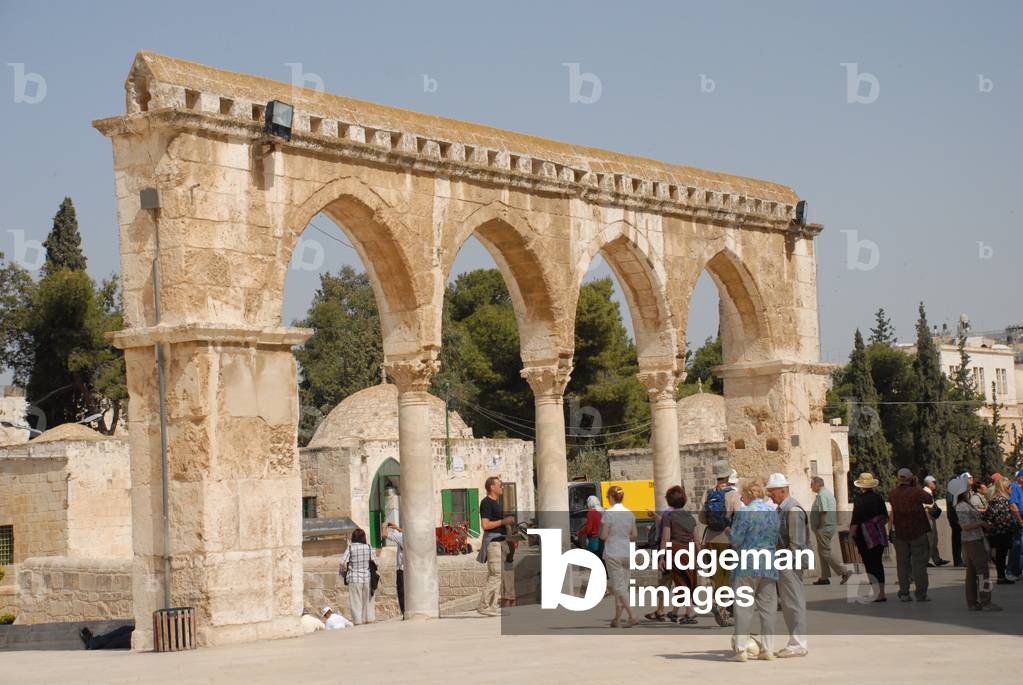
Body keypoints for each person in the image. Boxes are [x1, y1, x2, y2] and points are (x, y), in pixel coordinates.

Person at [729, 478, 778, 663]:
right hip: (768, 564)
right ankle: (768, 649)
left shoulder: (744, 512)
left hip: (747, 565)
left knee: (743, 608)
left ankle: (741, 650)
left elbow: (736, 539)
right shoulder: (772, 512)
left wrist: (729, 534)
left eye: (743, 494)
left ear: (748, 494)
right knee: (768, 609)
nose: (742, 498)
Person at [766, 473, 808, 659]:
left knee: (794, 603)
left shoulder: (793, 510)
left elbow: (796, 544)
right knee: (790, 603)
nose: (770, 495)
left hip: (790, 564)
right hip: (784, 562)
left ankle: (798, 644)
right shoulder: (782, 509)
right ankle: (795, 642)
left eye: (772, 491)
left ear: (783, 491)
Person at [699, 459, 742, 627]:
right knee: (726, 575)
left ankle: (719, 605)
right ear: (727, 475)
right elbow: (740, 517)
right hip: (727, 539)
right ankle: (721, 607)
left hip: (709, 539)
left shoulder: (708, 493)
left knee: (714, 575)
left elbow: (702, 519)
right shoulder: (733, 494)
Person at [950, 474, 1002, 611]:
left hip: (972, 540)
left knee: (972, 573)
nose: (969, 488)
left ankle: (972, 602)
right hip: (972, 541)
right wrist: (981, 523)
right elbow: (965, 526)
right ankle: (986, 601)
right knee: (983, 572)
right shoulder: (962, 506)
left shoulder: (965, 503)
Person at [890, 468, 932, 602]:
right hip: (917, 532)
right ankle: (921, 594)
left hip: (900, 533)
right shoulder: (916, 491)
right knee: (919, 564)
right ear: (910, 478)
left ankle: (904, 593)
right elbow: (929, 499)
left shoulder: (893, 493)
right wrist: (916, 485)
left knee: (902, 564)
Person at [600, 484, 638, 628]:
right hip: (626, 551)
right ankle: (617, 618)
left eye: (607, 497)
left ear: (611, 497)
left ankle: (632, 615)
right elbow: (634, 534)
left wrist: (611, 535)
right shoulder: (630, 514)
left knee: (618, 587)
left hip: (613, 552)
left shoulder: (609, 514)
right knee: (622, 586)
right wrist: (623, 535)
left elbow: (604, 535)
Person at [660, 485, 699, 624]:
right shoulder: (691, 517)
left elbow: (666, 538)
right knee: (687, 581)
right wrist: (699, 556)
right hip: (690, 551)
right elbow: (696, 539)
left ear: (669, 501)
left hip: (675, 550)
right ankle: (676, 612)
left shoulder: (669, 517)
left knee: (680, 581)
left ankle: (690, 611)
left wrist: (662, 556)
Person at [477, 476, 515, 617]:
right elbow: (485, 525)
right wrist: (503, 521)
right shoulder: (486, 503)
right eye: (500, 485)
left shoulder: (496, 503)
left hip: (501, 543)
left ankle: (492, 606)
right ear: (492, 487)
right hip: (493, 543)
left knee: (498, 576)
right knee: (495, 575)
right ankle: (483, 605)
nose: (502, 487)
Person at [849, 472, 888, 602]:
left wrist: (851, 535)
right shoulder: (878, 498)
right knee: (878, 563)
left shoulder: (859, 500)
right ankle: (882, 592)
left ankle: (876, 593)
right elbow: (885, 517)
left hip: (864, 538)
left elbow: (856, 519)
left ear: (861, 486)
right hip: (879, 536)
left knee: (870, 565)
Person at [810, 476, 851, 585]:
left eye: (812, 484)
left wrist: (820, 526)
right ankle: (824, 577)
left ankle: (844, 572)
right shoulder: (827, 494)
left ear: (817, 484)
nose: (811, 487)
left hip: (824, 528)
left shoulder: (822, 495)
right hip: (828, 527)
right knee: (822, 551)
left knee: (825, 551)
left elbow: (823, 511)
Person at [983, 477, 1018, 584]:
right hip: (1002, 532)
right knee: (1001, 555)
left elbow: (988, 516)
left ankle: (1001, 577)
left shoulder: (995, 500)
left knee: (1001, 555)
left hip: (998, 531)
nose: (1011, 489)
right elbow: (999, 517)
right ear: (1004, 488)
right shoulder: (1001, 501)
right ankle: (1001, 577)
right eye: (1009, 486)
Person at [339, 528, 376, 625]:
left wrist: (343, 573)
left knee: (356, 602)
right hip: (367, 577)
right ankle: (369, 620)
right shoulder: (368, 547)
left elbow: (342, 562)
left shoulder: (350, 548)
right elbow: (376, 562)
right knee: (368, 601)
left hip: (354, 578)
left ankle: (358, 622)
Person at [922, 476, 949, 567]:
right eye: (934, 482)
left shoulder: (928, 492)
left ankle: (937, 559)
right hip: (928, 519)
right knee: (930, 541)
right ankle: (925, 561)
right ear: (929, 483)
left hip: (931, 519)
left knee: (934, 540)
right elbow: (926, 508)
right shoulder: (925, 493)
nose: (935, 484)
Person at [383, 521, 405, 617]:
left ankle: (404, 612)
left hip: (402, 569)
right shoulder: (412, 536)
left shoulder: (401, 537)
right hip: (410, 569)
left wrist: (384, 526)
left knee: (401, 592)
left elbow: (384, 535)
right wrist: (397, 528)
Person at [1009, 469, 1023, 581]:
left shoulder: (1020, 488)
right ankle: (1012, 572)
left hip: (1019, 520)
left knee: (1020, 548)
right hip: (1017, 522)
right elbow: (1013, 505)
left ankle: (1017, 571)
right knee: (1017, 547)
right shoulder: (1014, 487)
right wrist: (1020, 521)